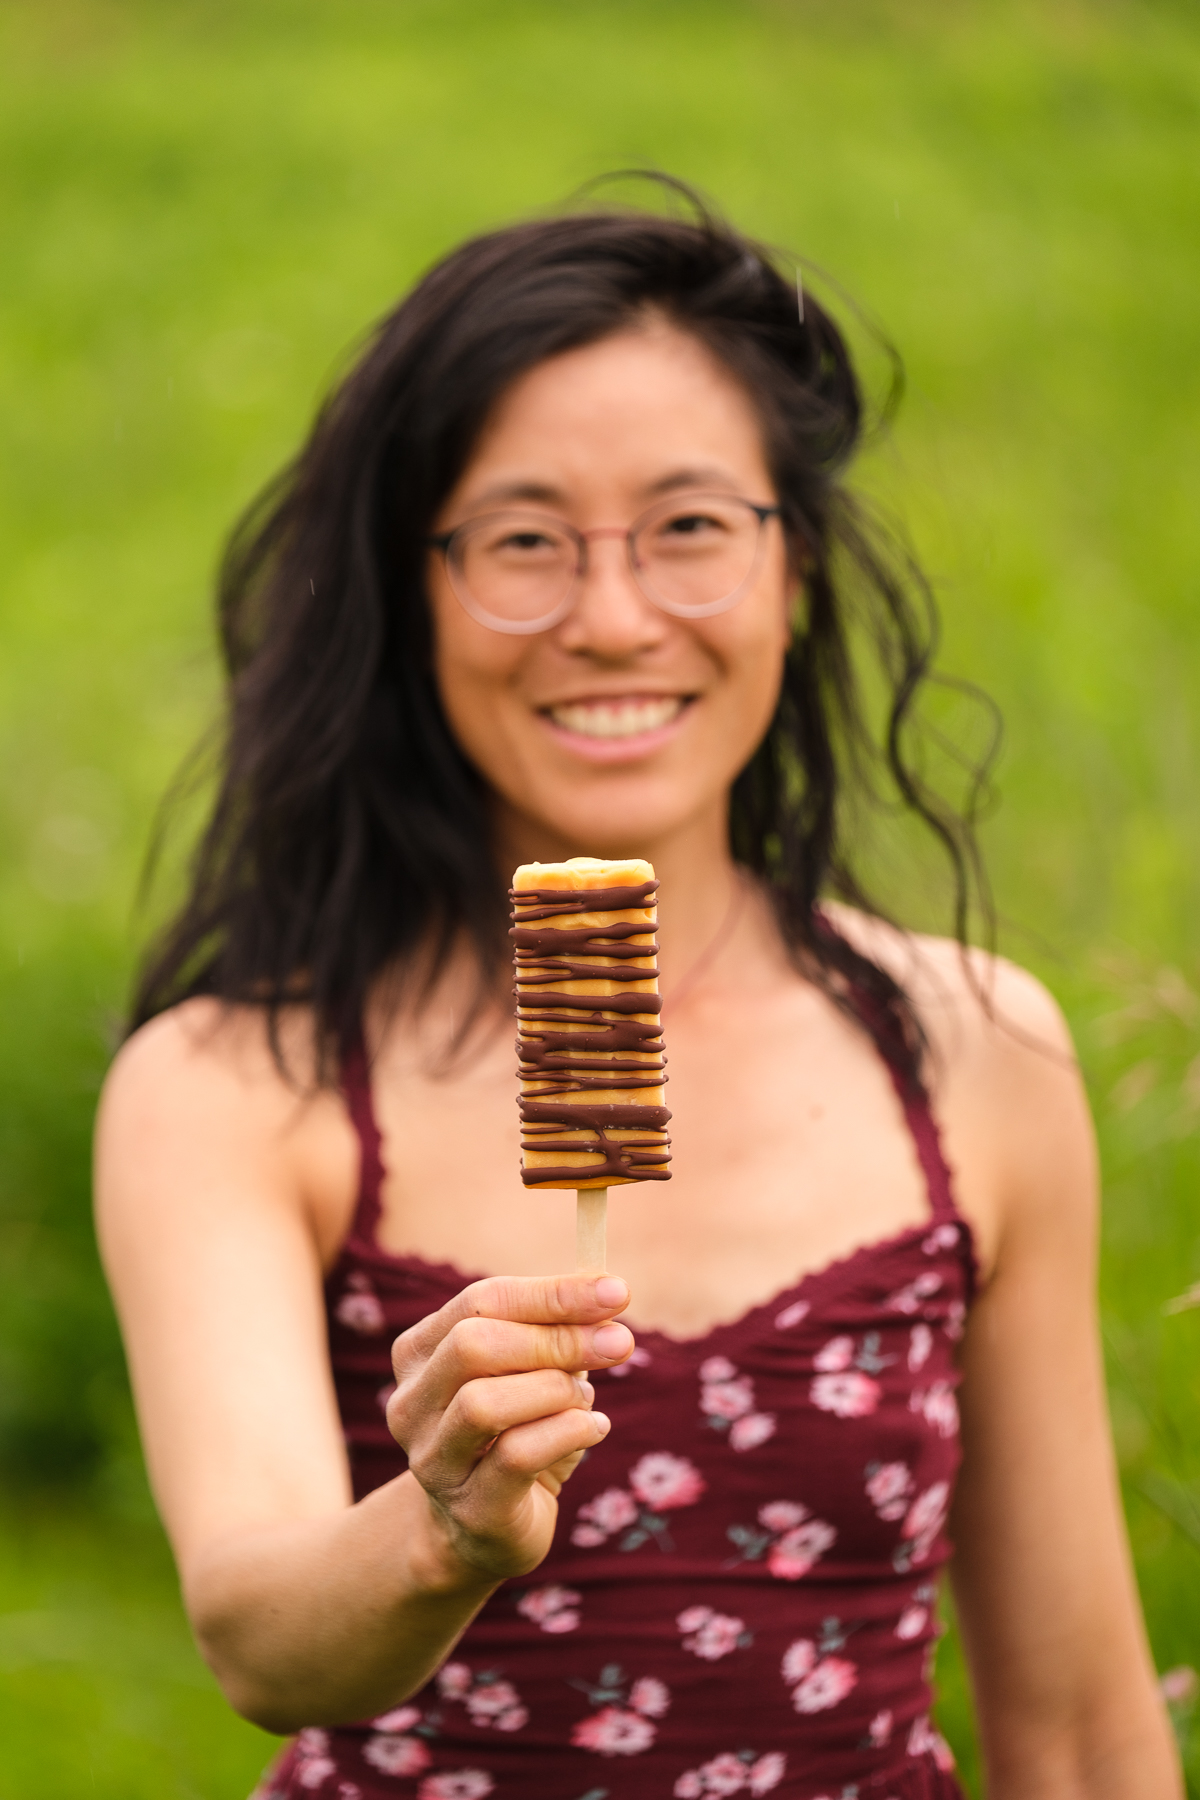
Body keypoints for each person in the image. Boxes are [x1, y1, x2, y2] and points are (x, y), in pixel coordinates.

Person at [95, 188, 1181, 1800]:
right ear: (416, 593)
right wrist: (442, 1527)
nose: (611, 622)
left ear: (793, 570)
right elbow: (258, 1636)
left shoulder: (972, 1054)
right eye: (524, 541)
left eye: (689, 527)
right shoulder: (242, 1085)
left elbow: (1083, 1732)